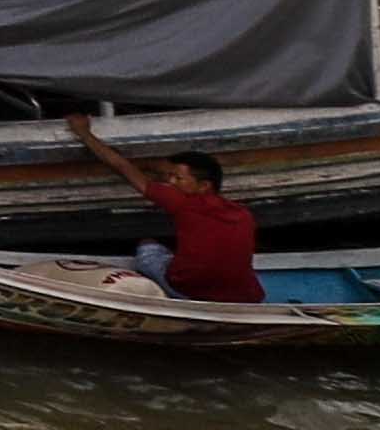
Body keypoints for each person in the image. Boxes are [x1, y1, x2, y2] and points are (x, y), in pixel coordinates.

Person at [74, 111, 263, 304]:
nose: (170, 182)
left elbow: (122, 167)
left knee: (147, 246)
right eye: (170, 176)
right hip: (245, 296)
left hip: (189, 292)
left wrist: (83, 132)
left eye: (178, 178)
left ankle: (164, 295)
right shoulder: (243, 214)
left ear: (204, 186)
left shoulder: (182, 202)